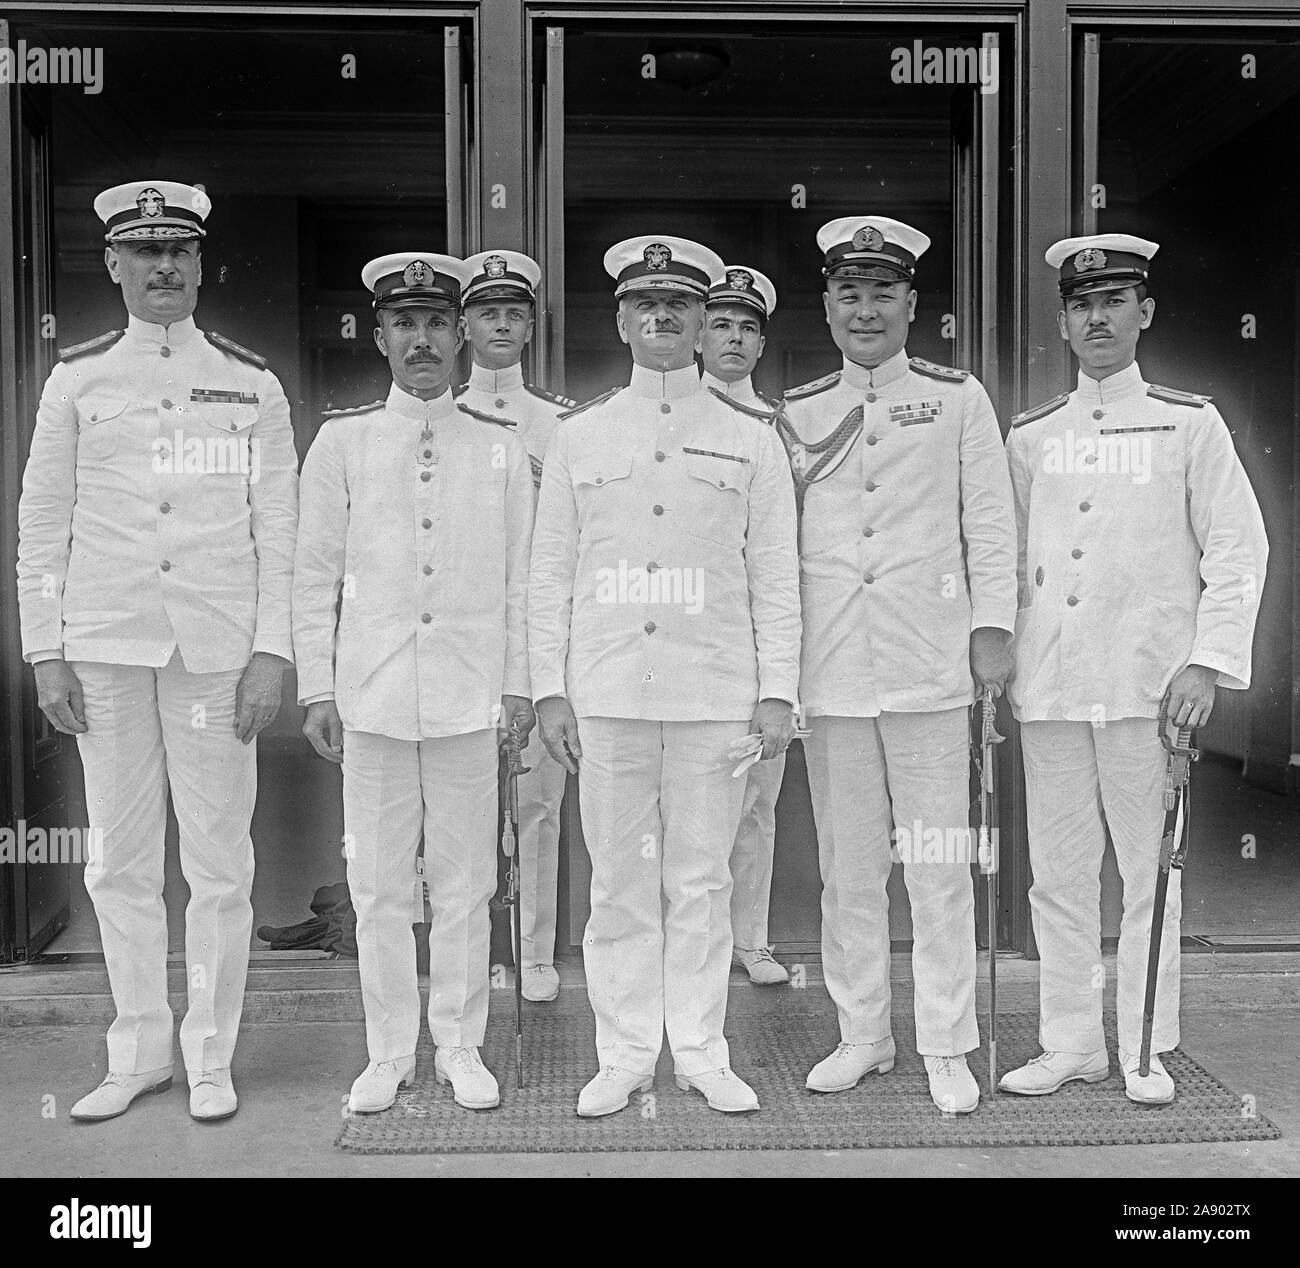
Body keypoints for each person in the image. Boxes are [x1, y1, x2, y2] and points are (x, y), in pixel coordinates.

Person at [17, 180, 299, 1122]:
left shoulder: (250, 382)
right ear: (114, 266)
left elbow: (281, 528)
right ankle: (136, 1047)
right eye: (144, 254)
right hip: (105, 643)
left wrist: (272, 652)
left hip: (216, 648)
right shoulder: (79, 378)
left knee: (221, 860)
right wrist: (44, 648)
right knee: (119, 859)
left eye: (178, 252)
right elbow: (43, 520)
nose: (164, 268)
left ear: (202, 263)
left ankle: (210, 1054)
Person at [529, 235, 801, 1117]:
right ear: (621, 320)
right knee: (616, 878)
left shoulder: (751, 438)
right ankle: (625, 1052)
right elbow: (550, 572)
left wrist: (775, 691)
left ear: (699, 319)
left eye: (680, 306)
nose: (663, 319)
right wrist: (550, 688)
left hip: (713, 692)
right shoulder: (581, 434)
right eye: (646, 305)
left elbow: (776, 576)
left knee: (702, 878)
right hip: (606, 692)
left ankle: (702, 1049)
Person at [999, 234, 1268, 1105]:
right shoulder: (1033, 433)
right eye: (1081, 305)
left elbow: (1238, 548)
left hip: (1149, 689)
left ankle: (1147, 1044)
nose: (1097, 317)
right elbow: (1002, 556)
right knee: (1060, 876)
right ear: (1065, 326)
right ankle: (1071, 1042)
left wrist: (1208, 662)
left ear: (1144, 312)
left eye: (1114, 301)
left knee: (1152, 872)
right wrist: (995, 657)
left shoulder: (1189, 421)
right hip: (1050, 686)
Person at [780, 216, 1017, 1114]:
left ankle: (948, 1042)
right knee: (848, 867)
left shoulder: (958, 399)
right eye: (850, 293)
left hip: (927, 664)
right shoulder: (797, 409)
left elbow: (990, 520)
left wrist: (992, 627)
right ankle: (864, 1034)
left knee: (938, 861)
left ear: (913, 305)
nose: (866, 309)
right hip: (836, 671)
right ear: (829, 307)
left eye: (884, 292)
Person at [293, 251, 535, 1114]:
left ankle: (460, 1045)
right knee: (381, 885)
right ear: (381, 335)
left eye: (438, 322)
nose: (423, 340)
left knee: (468, 881)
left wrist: (518, 687)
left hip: (471, 697)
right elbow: (311, 572)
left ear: (462, 332)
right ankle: (388, 1049)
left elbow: (521, 579)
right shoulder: (342, 440)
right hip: (375, 695)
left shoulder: (500, 447)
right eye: (405, 324)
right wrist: (318, 687)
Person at [455, 249, 574, 1003]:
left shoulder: (562, 423)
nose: (501, 325)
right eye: (487, 312)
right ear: (464, 324)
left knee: (537, 805)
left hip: (535, 630)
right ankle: (468, 960)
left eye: (514, 313)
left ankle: (533, 953)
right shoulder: (439, 410)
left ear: (530, 325)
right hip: (459, 633)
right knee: (461, 809)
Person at [699, 264, 788, 987]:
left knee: (757, 801)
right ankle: (692, 942)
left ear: (761, 344)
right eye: (722, 324)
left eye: (747, 328)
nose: (733, 338)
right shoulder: (673, 418)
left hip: (760, 644)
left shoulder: (778, 427)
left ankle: (749, 939)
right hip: (694, 642)